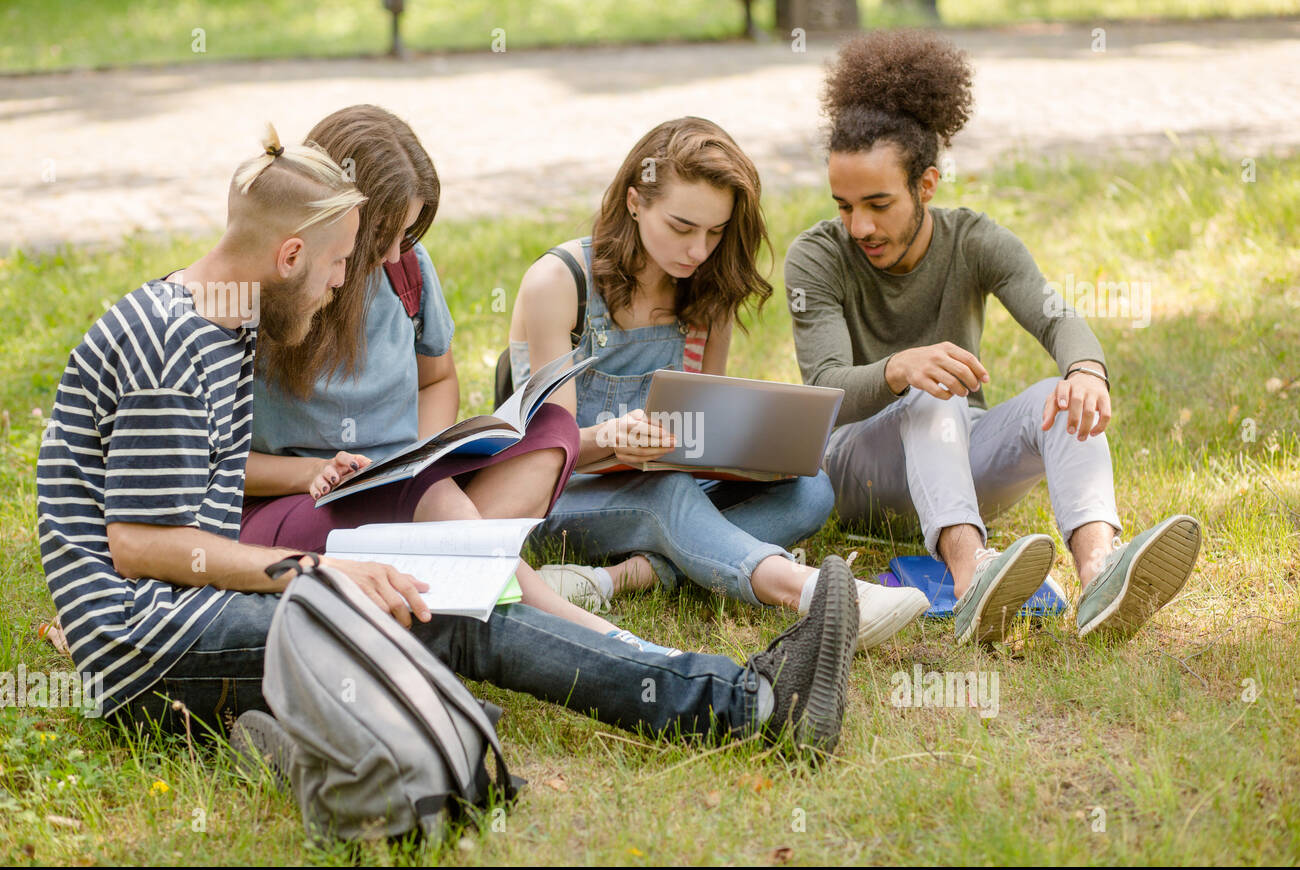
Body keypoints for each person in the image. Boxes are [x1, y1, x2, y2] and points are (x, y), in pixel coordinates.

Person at [34, 128, 860, 756]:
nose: (339, 289)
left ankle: (411, 721)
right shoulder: (171, 346)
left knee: (443, 588)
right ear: (289, 253)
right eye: (337, 267)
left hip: (198, 614)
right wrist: (327, 573)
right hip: (151, 646)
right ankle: (745, 705)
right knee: (455, 610)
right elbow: (140, 545)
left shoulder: (219, 322)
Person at [785, 30, 1201, 645]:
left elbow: (1056, 314)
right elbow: (825, 391)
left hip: (956, 456)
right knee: (933, 388)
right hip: (856, 469)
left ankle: (1101, 574)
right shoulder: (817, 258)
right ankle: (970, 574)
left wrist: (1085, 369)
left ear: (926, 185)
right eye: (844, 206)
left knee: (1057, 396)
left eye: (877, 203)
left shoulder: (975, 240)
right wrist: (901, 368)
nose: (860, 226)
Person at [509, 116, 929, 653]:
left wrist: (750, 452)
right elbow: (550, 453)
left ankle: (620, 578)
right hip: (559, 501)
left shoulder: (707, 293)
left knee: (810, 490)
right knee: (666, 491)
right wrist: (615, 438)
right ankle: (814, 594)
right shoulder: (560, 282)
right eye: (682, 227)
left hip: (660, 484)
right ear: (635, 202)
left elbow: (698, 436)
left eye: (715, 232)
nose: (698, 251)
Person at [237, 104, 631, 642]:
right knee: (432, 500)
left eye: (408, 233)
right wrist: (313, 472)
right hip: (300, 505)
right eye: (385, 234)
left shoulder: (407, 270)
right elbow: (216, 468)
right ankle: (571, 625)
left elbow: (436, 379)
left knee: (552, 434)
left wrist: (423, 455)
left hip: (405, 485)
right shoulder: (263, 297)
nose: (396, 252)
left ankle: (441, 555)